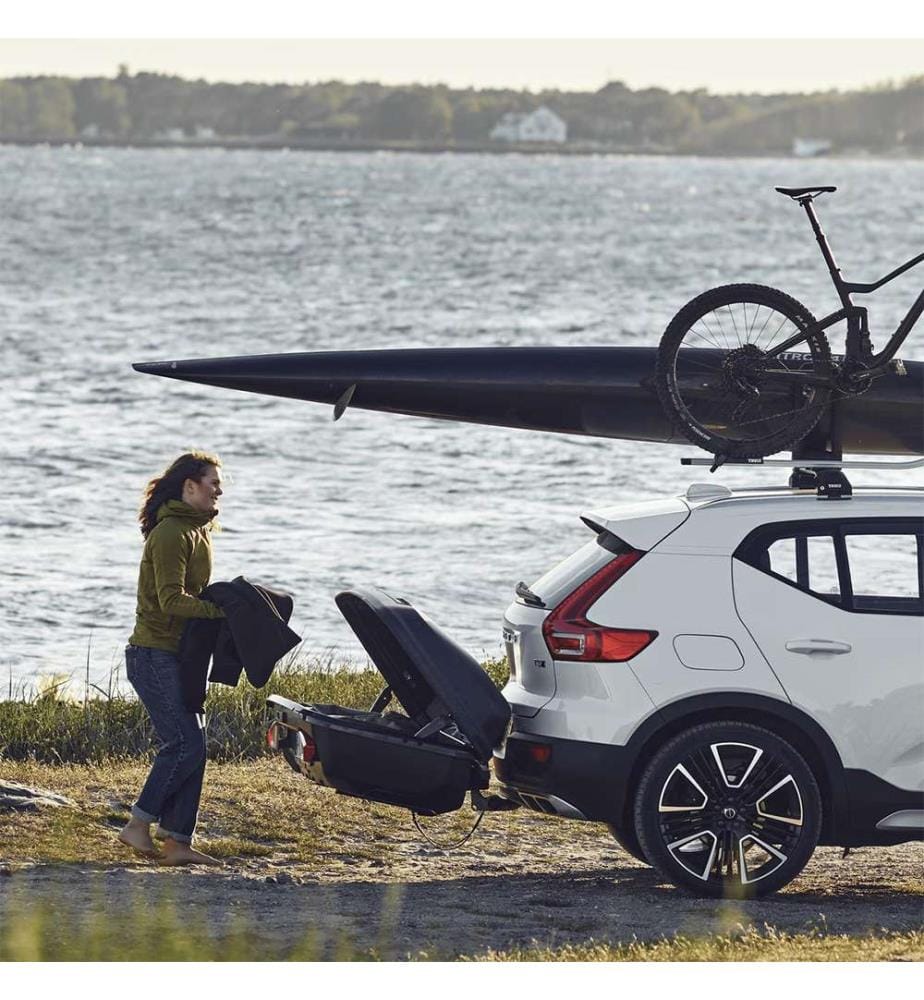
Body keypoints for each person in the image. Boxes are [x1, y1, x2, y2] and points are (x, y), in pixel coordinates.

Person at [118, 451, 226, 865]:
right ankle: (138, 824)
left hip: (179, 655)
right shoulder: (170, 534)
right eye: (213, 483)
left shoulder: (198, 531)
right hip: (152, 654)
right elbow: (171, 600)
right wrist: (219, 612)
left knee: (194, 744)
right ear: (189, 486)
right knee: (183, 743)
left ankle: (177, 842)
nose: (219, 491)